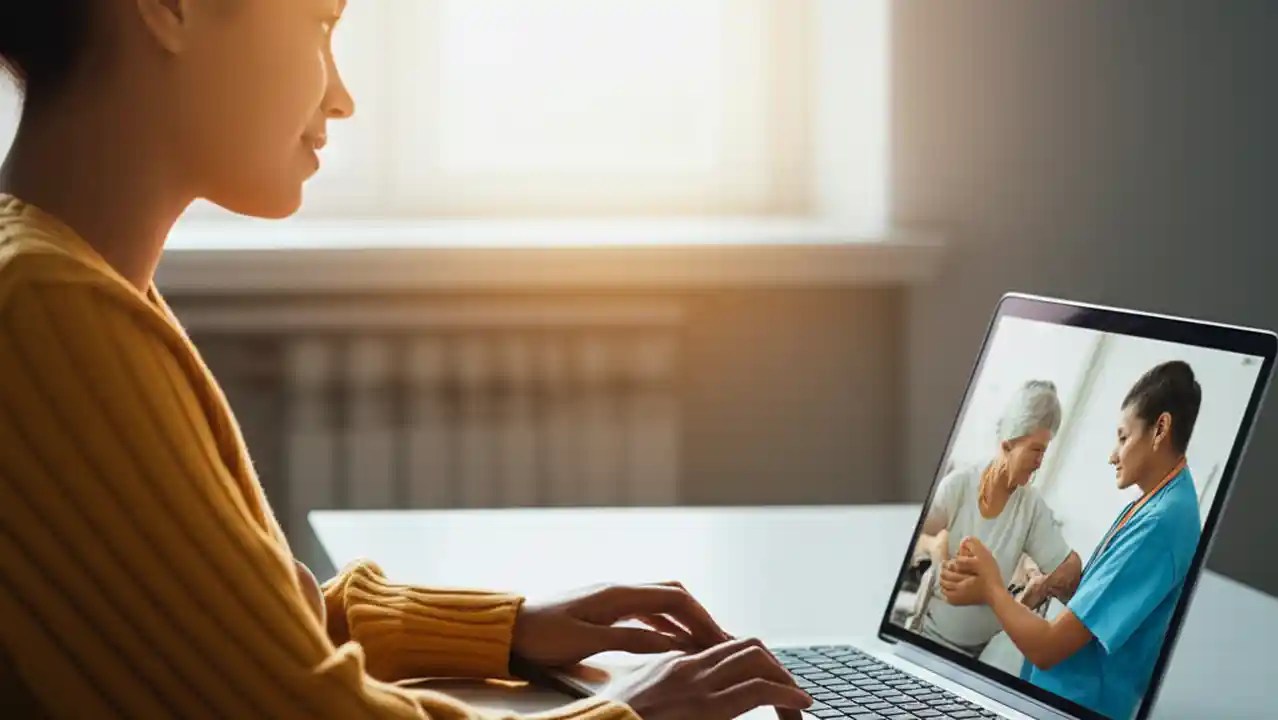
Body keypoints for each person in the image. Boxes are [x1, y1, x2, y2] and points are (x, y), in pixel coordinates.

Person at [0, 3, 812, 719]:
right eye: (322, 23)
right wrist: (630, 718)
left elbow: (231, 634)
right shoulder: (48, 310)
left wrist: (504, 628)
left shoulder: (61, 278)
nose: (343, 96)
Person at [942, 361, 1203, 719]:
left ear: (1160, 429)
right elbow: (1106, 603)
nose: (1113, 455)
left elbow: (1049, 646)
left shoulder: (1160, 523)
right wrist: (1052, 589)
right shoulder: (1158, 501)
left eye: (1123, 437)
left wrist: (992, 587)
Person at [916, 380, 1083, 656]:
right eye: (1036, 450)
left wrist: (1030, 591)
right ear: (1007, 445)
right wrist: (935, 549)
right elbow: (914, 536)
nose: (1041, 462)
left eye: (1045, 450)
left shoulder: (1031, 507)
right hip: (928, 639)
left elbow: (1069, 571)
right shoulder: (958, 486)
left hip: (980, 655)